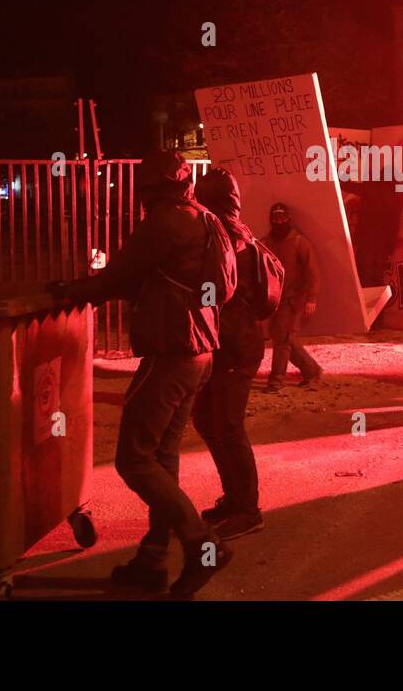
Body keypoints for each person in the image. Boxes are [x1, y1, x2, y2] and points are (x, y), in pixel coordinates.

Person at [50, 150, 234, 598]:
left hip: (172, 353)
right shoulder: (203, 218)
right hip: (199, 351)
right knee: (162, 457)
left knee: (134, 461)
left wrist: (66, 293)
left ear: (150, 190)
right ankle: (153, 558)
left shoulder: (166, 222)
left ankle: (200, 545)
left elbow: (116, 278)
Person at [192, 168, 268, 539]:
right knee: (208, 419)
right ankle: (235, 498)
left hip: (236, 345)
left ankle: (248, 508)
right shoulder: (239, 232)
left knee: (228, 424)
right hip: (231, 343)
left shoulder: (225, 237)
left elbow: (215, 291)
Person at [263, 202, 323, 392]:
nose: (279, 222)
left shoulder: (299, 243)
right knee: (284, 337)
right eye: (275, 218)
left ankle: (276, 381)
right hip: (274, 299)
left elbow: (312, 273)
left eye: (282, 218)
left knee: (282, 338)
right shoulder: (266, 243)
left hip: (292, 299)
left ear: (288, 219)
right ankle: (311, 370)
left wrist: (311, 298)